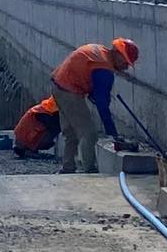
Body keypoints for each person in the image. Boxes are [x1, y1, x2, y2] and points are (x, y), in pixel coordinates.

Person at [50, 37, 139, 173]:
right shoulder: (103, 69)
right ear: (117, 53)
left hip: (59, 84)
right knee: (89, 133)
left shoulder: (101, 53)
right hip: (69, 91)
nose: (126, 67)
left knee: (71, 132)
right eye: (125, 62)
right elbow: (102, 104)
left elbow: (96, 91)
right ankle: (90, 171)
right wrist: (112, 133)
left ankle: (67, 167)